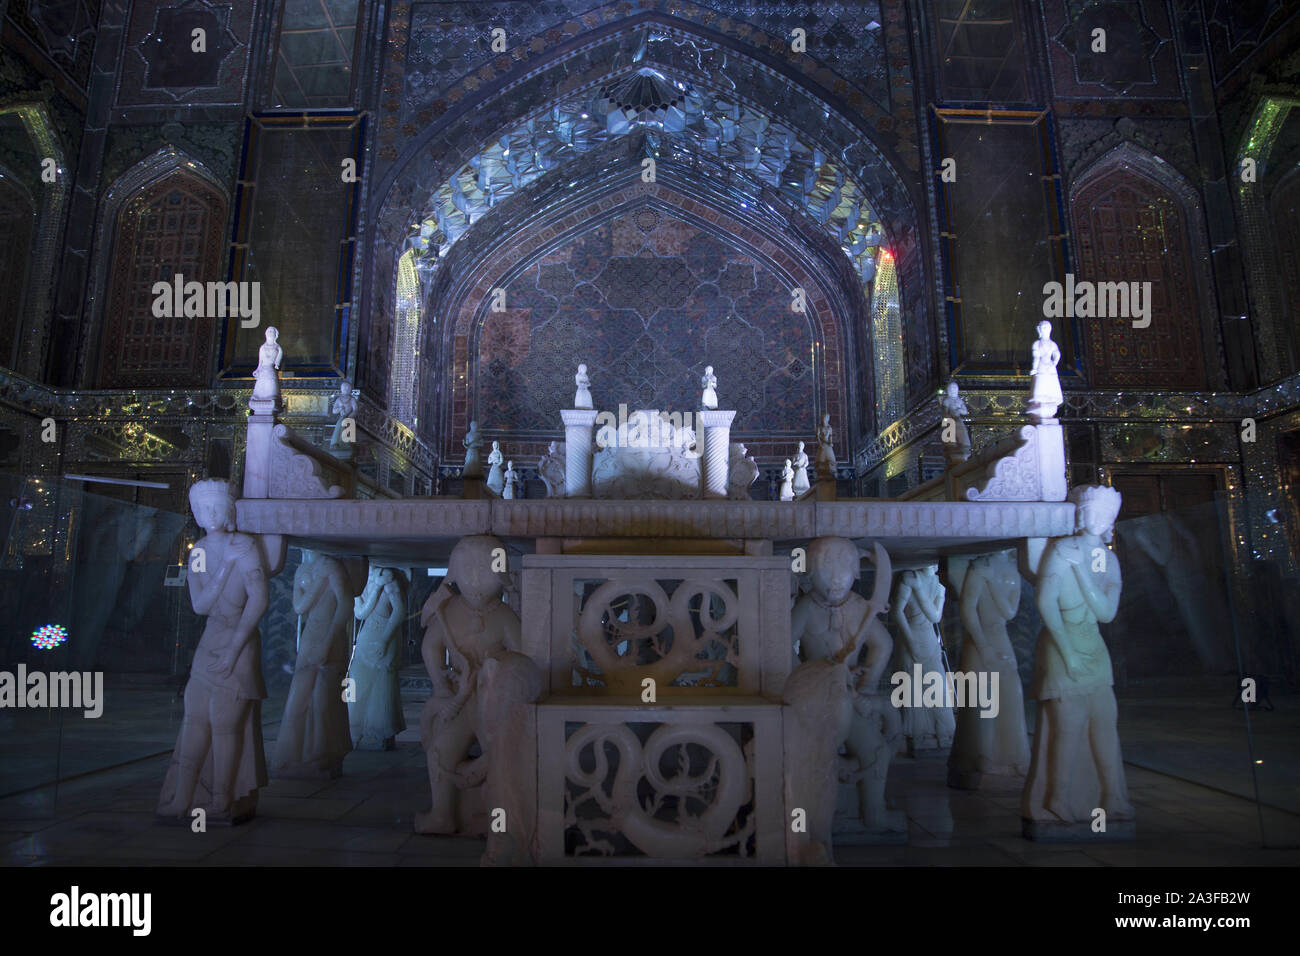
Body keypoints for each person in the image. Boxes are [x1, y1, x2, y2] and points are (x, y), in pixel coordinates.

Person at [157, 480, 269, 823]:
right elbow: (201, 604)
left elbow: (259, 600)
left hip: (240, 639)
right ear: (196, 513)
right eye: (204, 509)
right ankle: (183, 796)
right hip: (211, 639)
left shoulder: (246, 545)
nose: (212, 514)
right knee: (194, 720)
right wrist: (224, 568)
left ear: (230, 510)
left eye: (218, 507)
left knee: (225, 724)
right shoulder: (200, 551)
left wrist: (235, 650)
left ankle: (222, 797)